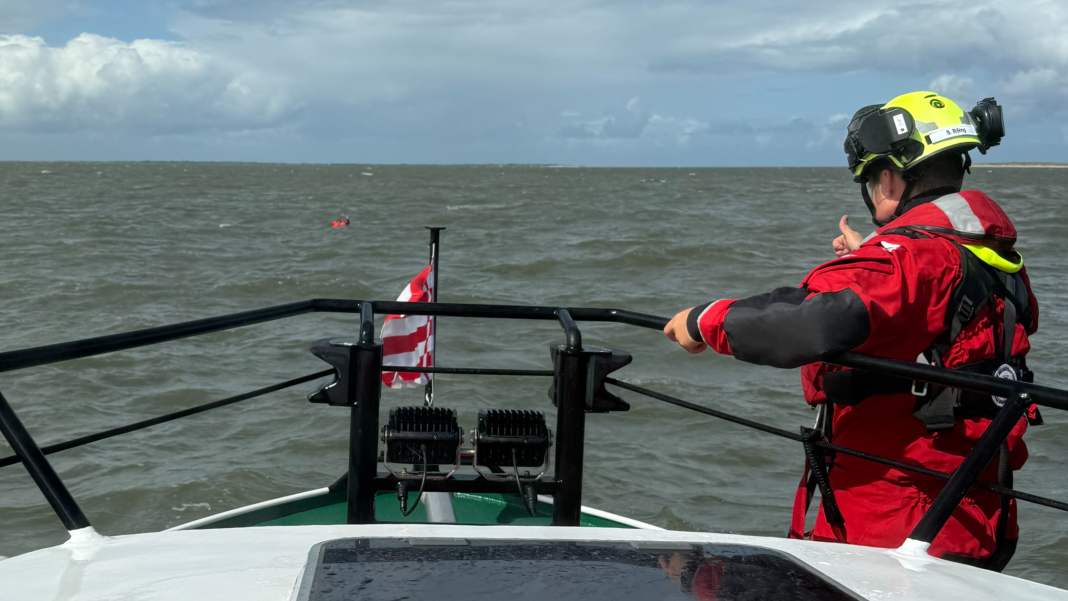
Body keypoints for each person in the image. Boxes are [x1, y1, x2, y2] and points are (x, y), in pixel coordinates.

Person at [662, 91, 1040, 570]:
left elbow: (811, 322)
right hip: (972, 512)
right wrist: (872, 256)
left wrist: (703, 320)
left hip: (894, 524)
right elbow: (930, 317)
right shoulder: (991, 255)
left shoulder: (915, 261)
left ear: (886, 178)